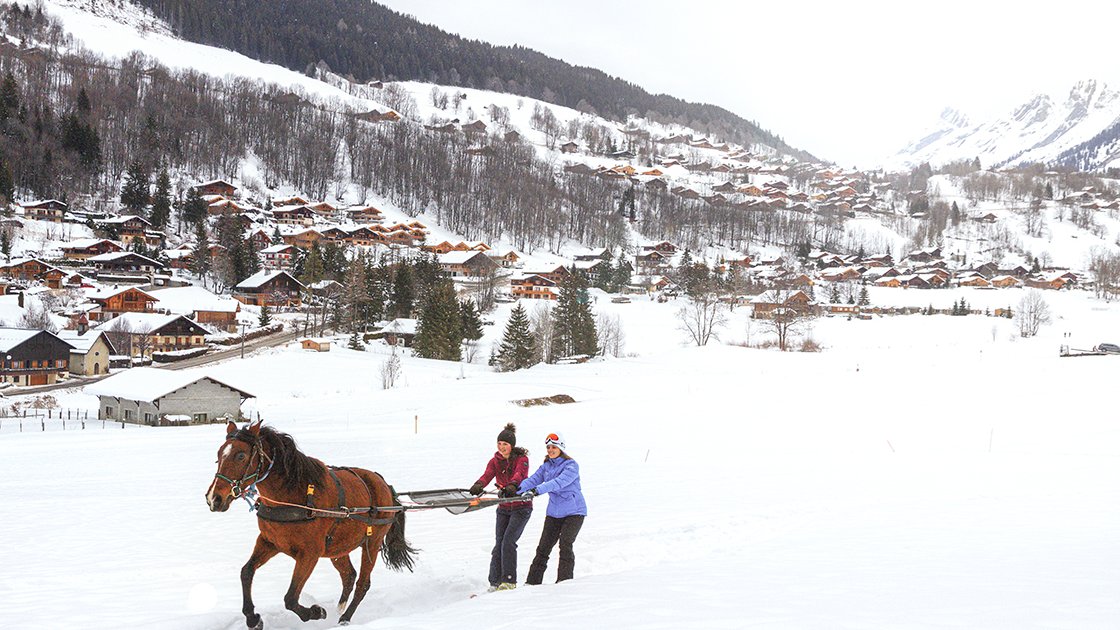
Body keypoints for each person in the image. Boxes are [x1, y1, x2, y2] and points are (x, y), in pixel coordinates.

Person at [469, 422, 532, 591]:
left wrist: (512, 485)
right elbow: (487, 475)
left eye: (505, 444)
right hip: (504, 507)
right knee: (499, 543)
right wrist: (478, 485)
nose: (502, 447)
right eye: (499, 444)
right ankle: (494, 582)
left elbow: (520, 474)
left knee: (508, 542)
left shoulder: (522, 459)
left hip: (521, 507)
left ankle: (509, 581)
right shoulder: (495, 461)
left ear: (512, 445)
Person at [518, 432, 586, 584]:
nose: (550, 450)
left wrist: (537, 490)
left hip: (574, 512)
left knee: (565, 544)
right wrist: (513, 489)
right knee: (543, 547)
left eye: (553, 447)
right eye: (548, 447)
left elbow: (558, 482)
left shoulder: (571, 466)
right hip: (554, 513)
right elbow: (532, 480)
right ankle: (532, 582)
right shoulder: (546, 466)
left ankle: (564, 582)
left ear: (560, 448)